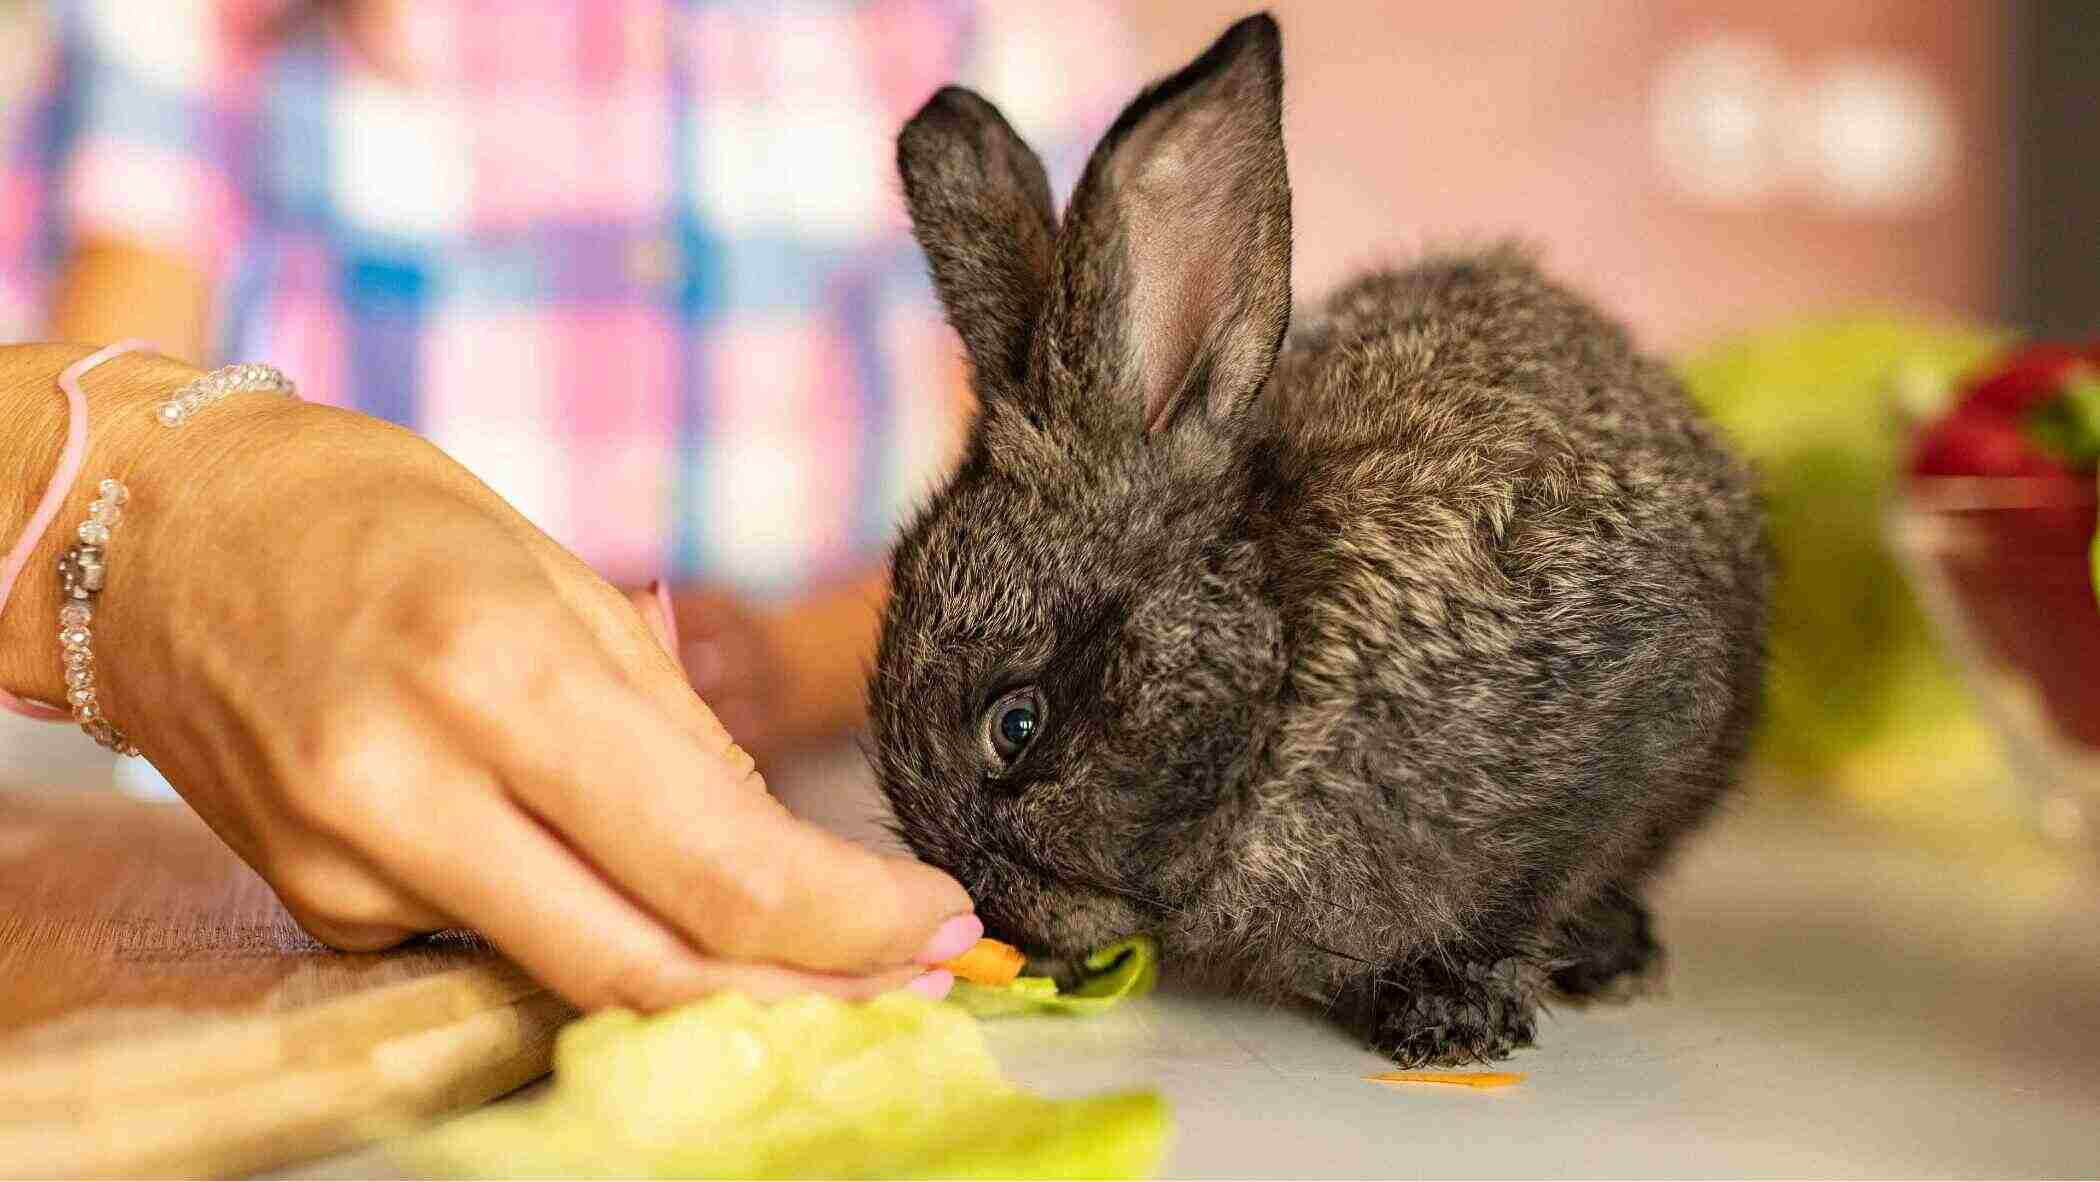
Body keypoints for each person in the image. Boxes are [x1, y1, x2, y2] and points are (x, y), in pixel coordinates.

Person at [0, 1, 1132, 1010]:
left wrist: (786, 664)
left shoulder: (993, 21)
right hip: (241, 862)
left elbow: (1053, 507)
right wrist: (185, 531)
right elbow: (94, 377)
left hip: (835, 797)